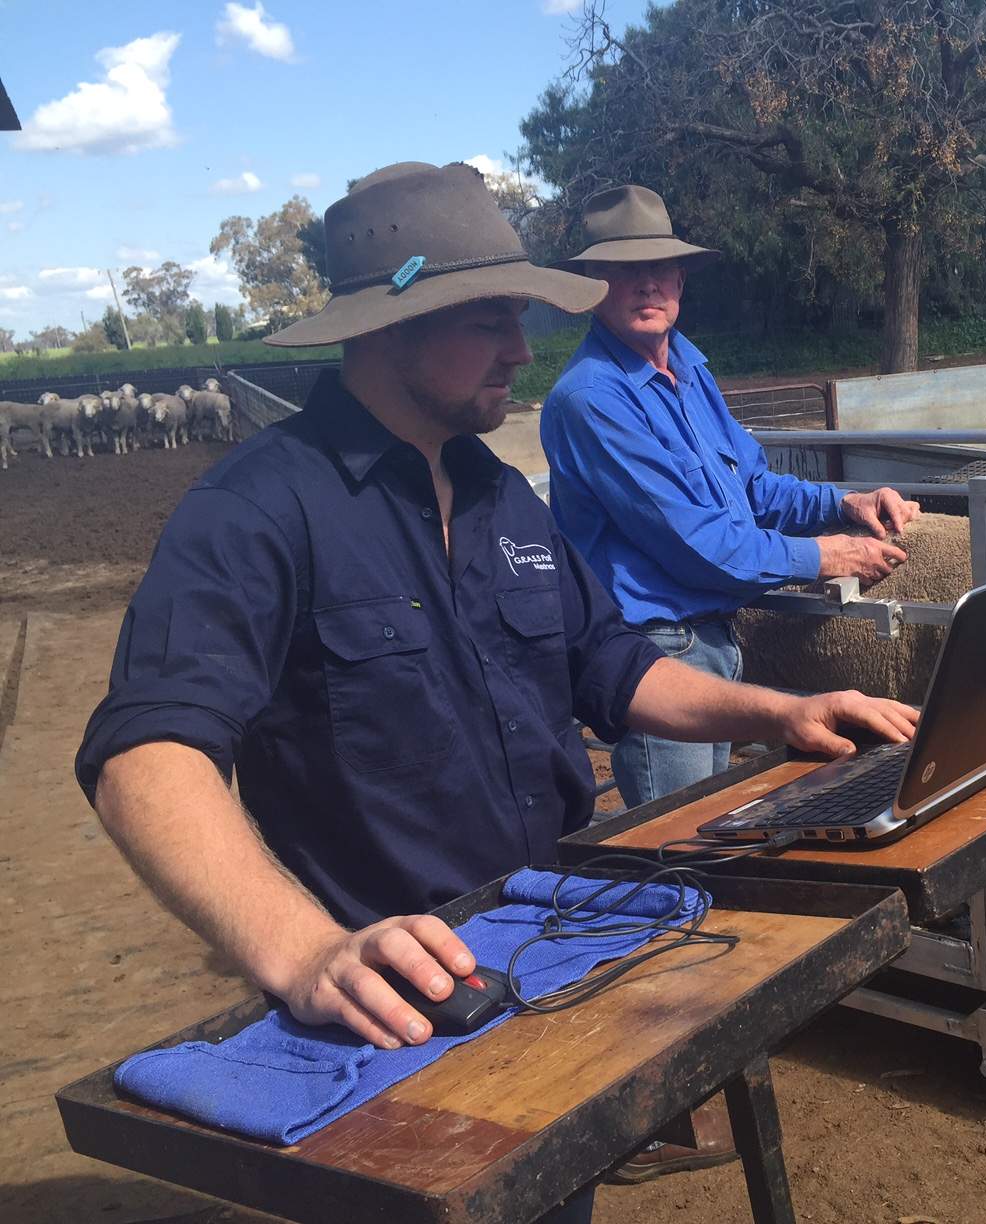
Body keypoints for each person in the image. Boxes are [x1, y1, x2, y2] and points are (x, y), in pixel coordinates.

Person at [74, 163, 917, 1223]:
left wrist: (783, 716)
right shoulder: (253, 513)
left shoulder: (503, 498)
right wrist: (308, 954)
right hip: (403, 1005)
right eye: (489, 319)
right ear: (386, 326)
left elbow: (609, 667)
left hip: (553, 944)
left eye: (520, 316)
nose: (524, 350)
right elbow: (146, 757)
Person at [540, 185, 922, 810]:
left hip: (716, 639)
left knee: (722, 820)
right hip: (658, 653)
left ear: (681, 279)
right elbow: (697, 546)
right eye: (624, 272)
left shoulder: (688, 364)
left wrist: (841, 505)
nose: (646, 286)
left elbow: (750, 484)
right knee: (684, 837)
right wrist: (826, 557)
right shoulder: (592, 400)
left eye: (659, 268)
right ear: (593, 284)